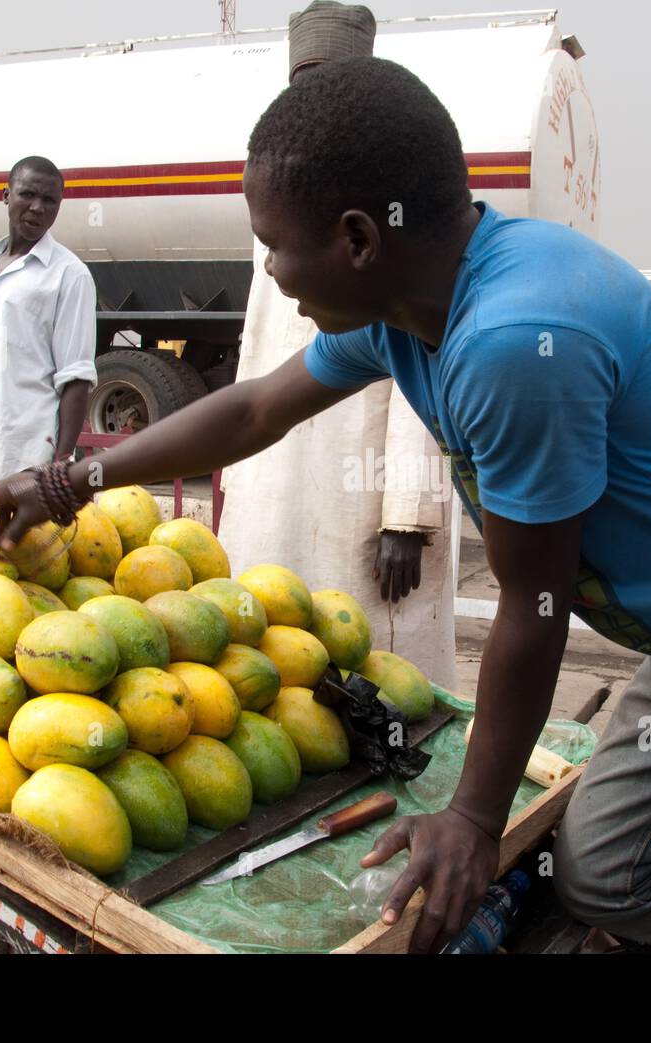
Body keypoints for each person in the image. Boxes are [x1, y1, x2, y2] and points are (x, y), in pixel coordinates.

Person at [0, 57, 651, 954]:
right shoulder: (408, 304)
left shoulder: (514, 339)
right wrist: (69, 480)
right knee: (609, 874)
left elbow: (530, 608)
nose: (268, 266)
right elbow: (253, 407)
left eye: (273, 242)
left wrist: (474, 817)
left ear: (353, 237)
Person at [218, 0, 456, 686]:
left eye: (331, 78)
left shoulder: (403, 182)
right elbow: (257, 349)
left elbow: (428, 349)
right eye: (304, 79)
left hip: (369, 471)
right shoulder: (278, 186)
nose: (314, 93)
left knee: (377, 660)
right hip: (280, 461)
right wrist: (237, 470)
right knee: (276, 650)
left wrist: (407, 514)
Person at [0, 157, 97, 484]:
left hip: (28, 455)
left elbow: (76, 376)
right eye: (28, 195)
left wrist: (61, 462)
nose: (37, 208)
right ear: (6, 195)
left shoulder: (69, 274)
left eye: (49, 200)